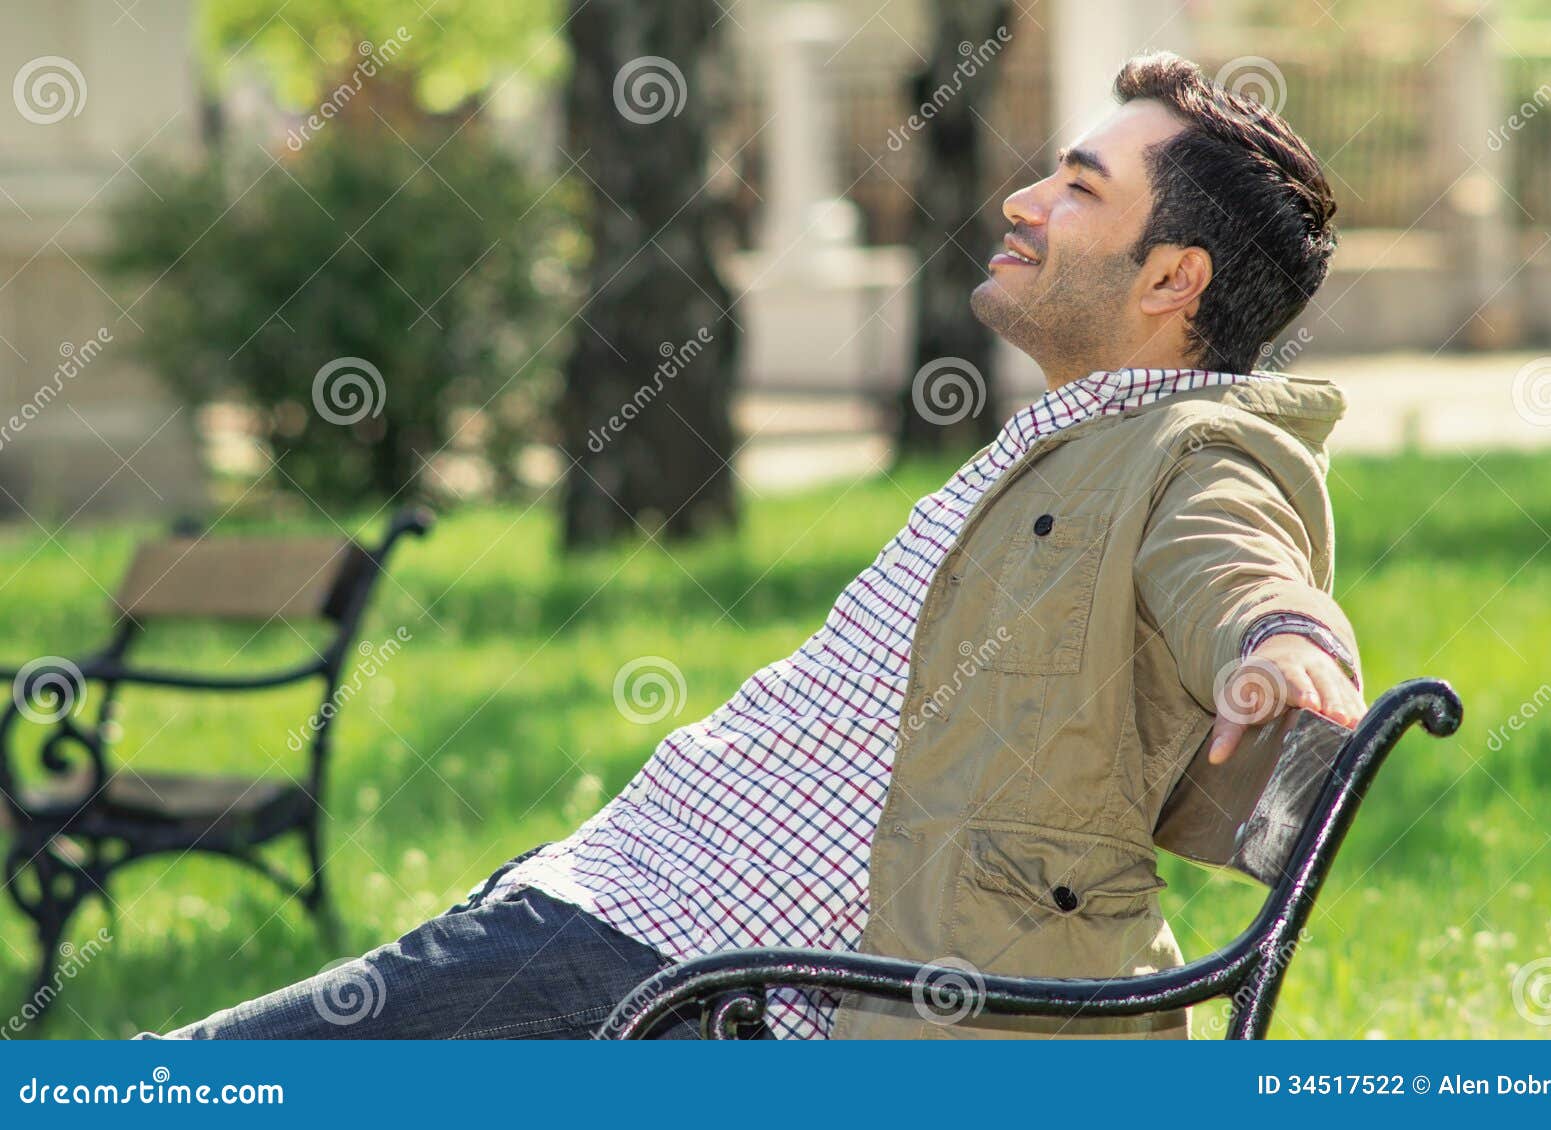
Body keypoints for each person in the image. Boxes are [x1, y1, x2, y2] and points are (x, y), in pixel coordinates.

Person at [140, 51, 1366, 1041]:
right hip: (614, 914)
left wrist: (1283, 634)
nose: (1021, 202)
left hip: (684, 971)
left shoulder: (1189, 452)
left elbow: (1236, 554)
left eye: (1081, 188)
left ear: (1172, 278)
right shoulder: (1063, 441)